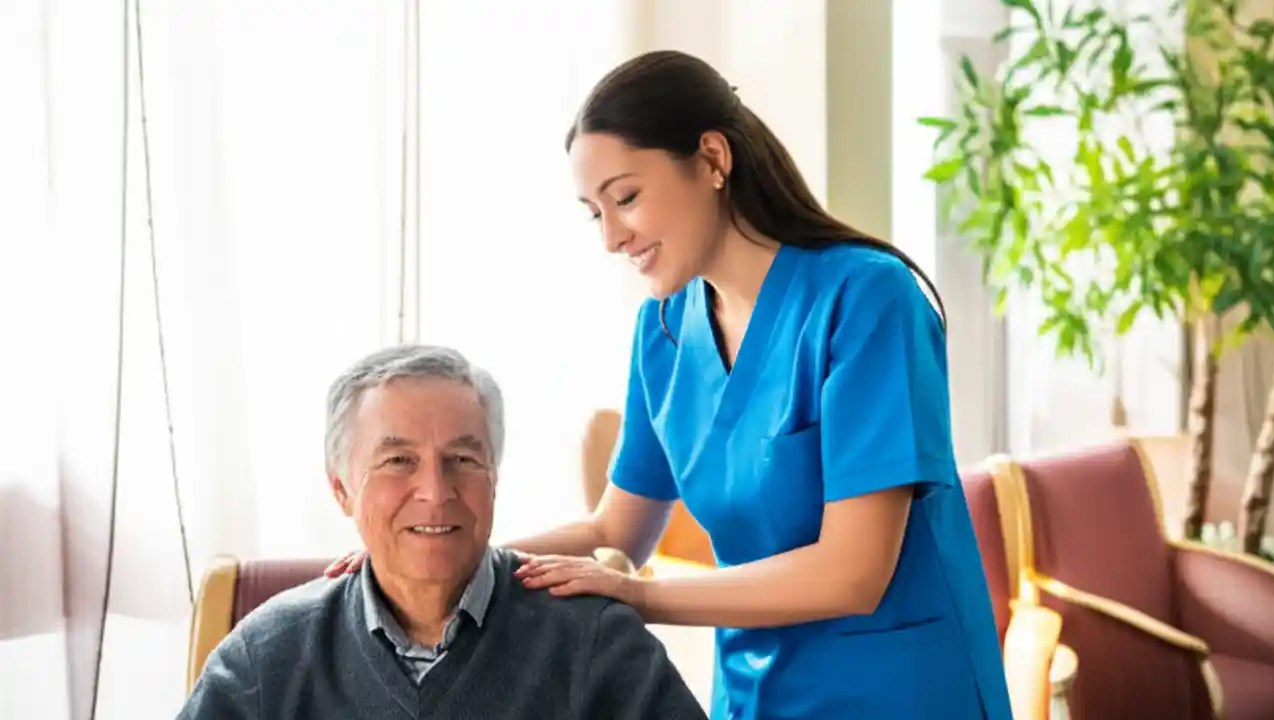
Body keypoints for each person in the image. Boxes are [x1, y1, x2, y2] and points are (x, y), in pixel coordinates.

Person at [330, 50, 1014, 719]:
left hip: (902, 690)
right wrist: (439, 548)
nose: (611, 238)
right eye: (595, 212)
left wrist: (642, 598)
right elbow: (617, 529)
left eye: (626, 198)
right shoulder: (662, 332)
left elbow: (853, 571)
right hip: (757, 695)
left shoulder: (867, 300)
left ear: (713, 160)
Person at [183, 345, 706, 720]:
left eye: (462, 458)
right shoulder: (266, 654)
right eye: (398, 460)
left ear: (494, 479)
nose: (435, 491)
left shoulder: (594, 640)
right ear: (341, 489)